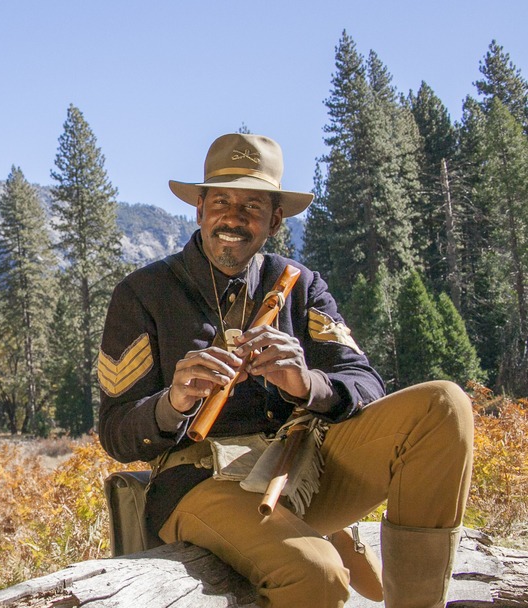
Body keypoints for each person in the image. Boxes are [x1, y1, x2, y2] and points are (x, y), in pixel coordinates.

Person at [97, 132, 473, 608]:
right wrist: (172, 404)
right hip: (199, 483)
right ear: (199, 210)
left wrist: (306, 383)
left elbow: (366, 384)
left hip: (303, 470)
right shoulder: (142, 294)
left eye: (252, 206)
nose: (233, 218)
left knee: (444, 405)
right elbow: (115, 433)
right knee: (318, 574)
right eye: (221, 202)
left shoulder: (300, 284)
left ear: (274, 220)